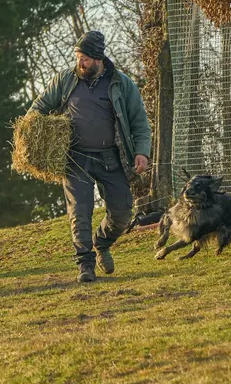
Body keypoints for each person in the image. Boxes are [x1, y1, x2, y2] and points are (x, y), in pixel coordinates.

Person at [30, 31, 152, 283]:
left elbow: (139, 121)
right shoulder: (65, 80)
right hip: (76, 159)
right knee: (80, 213)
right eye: (77, 57)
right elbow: (37, 109)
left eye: (84, 58)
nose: (80, 62)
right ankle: (85, 264)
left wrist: (142, 152)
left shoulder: (121, 83)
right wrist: (32, 133)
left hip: (112, 157)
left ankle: (102, 243)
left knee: (122, 214)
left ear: (98, 58)